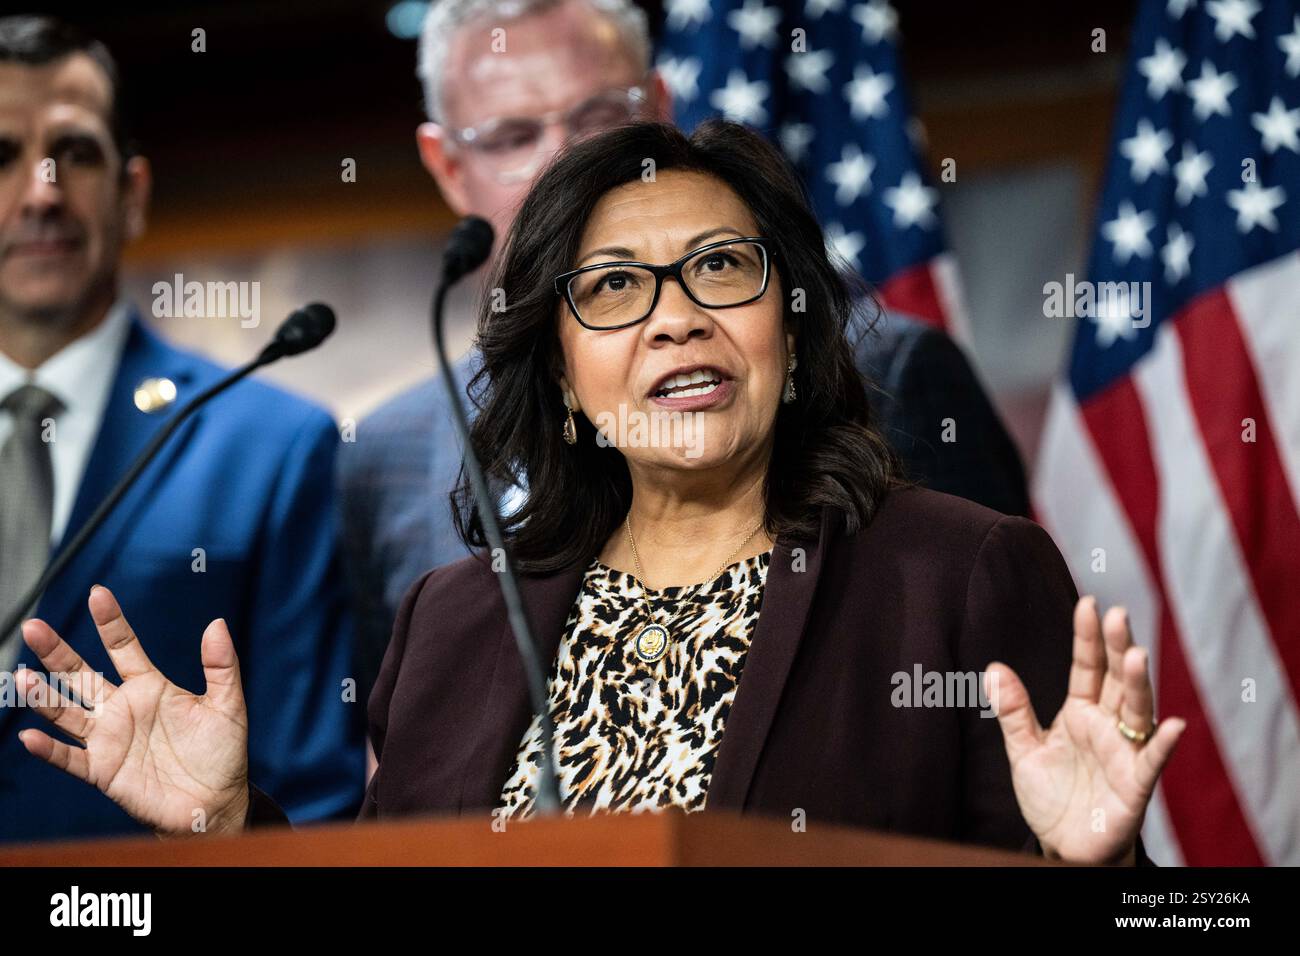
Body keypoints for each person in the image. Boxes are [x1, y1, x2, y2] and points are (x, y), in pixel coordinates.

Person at [16, 121, 1183, 864]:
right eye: (616, 286)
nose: (677, 312)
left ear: (790, 325)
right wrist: (232, 828)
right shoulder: (457, 622)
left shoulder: (956, 575)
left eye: (721, 267)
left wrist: (1097, 871)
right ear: (562, 377)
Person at [340, 0, 1029, 711]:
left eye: (596, 117)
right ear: (448, 165)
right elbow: (398, 772)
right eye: (512, 136)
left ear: (659, 109)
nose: (565, 163)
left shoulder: (899, 372)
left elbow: (1005, 724)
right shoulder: (381, 456)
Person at [0, 16, 364, 843]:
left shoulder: (269, 444)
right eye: (3, 156)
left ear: (133, 195)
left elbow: (312, 803)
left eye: (77, 152)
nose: (42, 190)